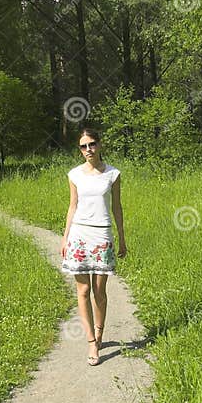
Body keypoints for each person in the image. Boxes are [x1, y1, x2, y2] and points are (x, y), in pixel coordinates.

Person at [60, 127, 127, 366]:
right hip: (79, 235)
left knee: (99, 291)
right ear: (79, 150)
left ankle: (100, 333)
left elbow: (117, 207)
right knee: (83, 291)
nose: (88, 149)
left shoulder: (112, 174)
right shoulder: (74, 175)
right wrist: (65, 237)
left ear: (100, 145)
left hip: (102, 236)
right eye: (83, 146)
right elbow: (72, 206)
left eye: (92, 144)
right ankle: (91, 342)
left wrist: (122, 237)